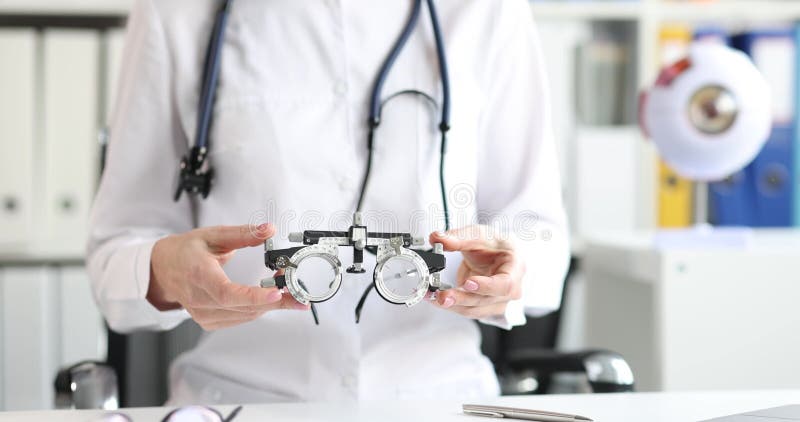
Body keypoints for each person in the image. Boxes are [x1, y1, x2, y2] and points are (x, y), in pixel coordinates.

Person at [87, 0, 569, 404]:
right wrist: (165, 271)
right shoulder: (180, 11)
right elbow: (115, 251)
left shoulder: (487, 10)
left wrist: (510, 271)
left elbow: (542, 235)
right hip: (242, 402)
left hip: (442, 399)